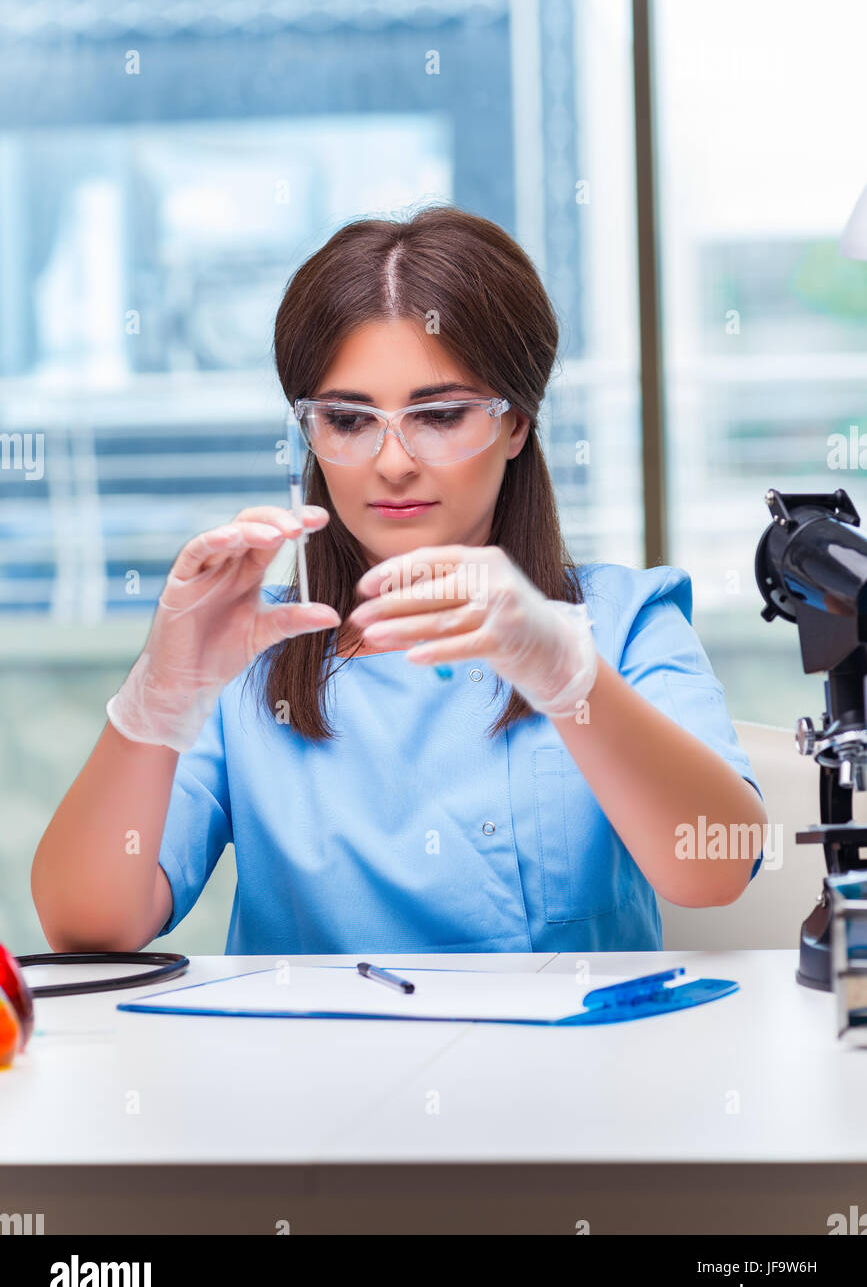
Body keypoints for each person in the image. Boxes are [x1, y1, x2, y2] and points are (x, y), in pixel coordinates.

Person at [31, 204, 767, 957]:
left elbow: (714, 867)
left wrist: (571, 679)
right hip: (302, 1068)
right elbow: (90, 928)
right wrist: (158, 697)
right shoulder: (245, 649)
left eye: (439, 414)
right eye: (349, 421)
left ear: (517, 424)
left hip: (568, 1065)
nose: (391, 462)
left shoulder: (621, 619)